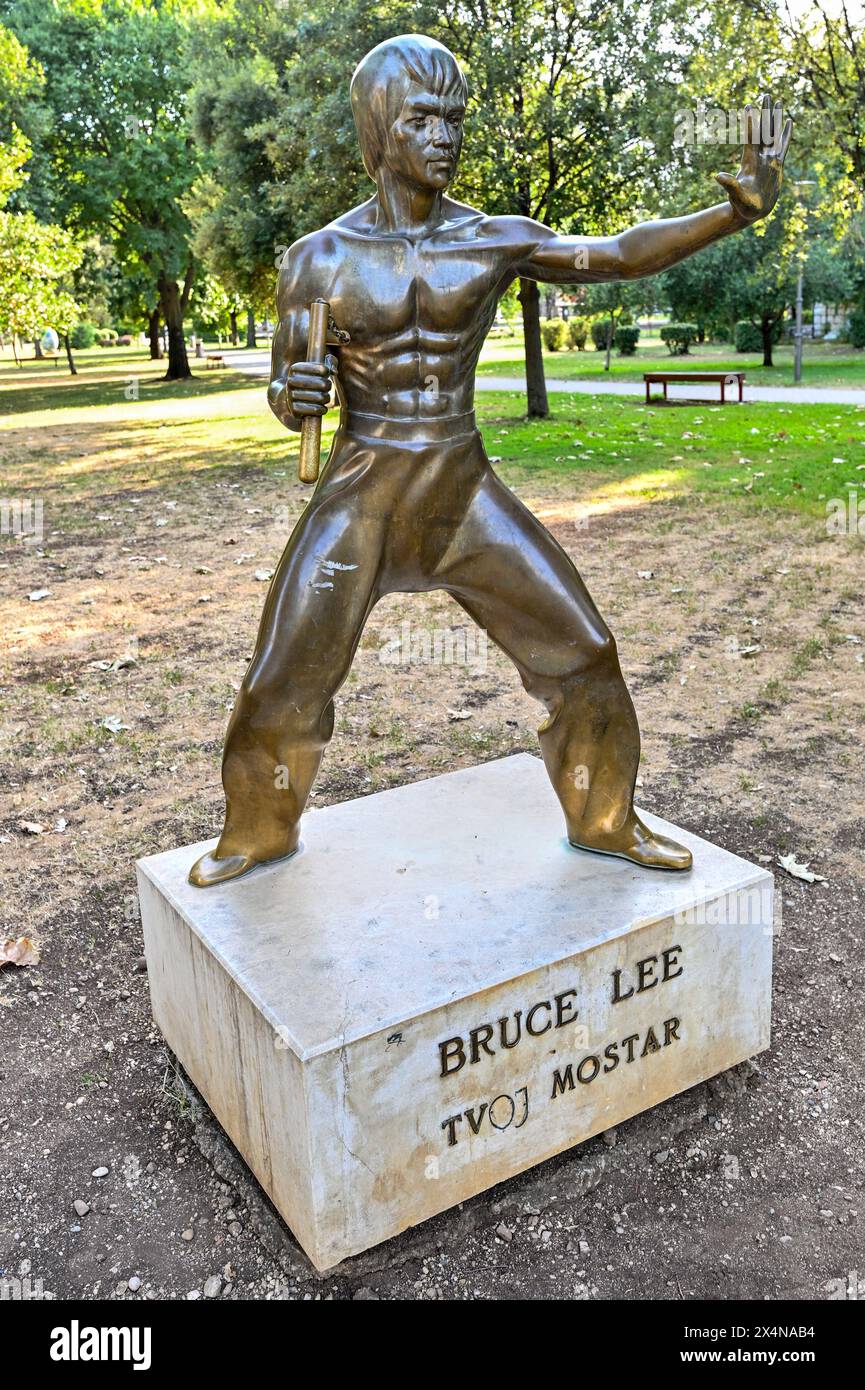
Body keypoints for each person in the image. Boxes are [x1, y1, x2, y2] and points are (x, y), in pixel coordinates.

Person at [189, 34, 790, 887]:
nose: (444, 137)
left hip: (461, 491)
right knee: (283, 677)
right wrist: (295, 396)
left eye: (455, 120)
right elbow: (292, 398)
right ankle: (256, 832)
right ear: (378, 128)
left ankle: (605, 820)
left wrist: (731, 212)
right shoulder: (318, 259)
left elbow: (616, 254)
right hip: (360, 494)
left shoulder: (491, 241)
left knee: (582, 651)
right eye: (421, 120)